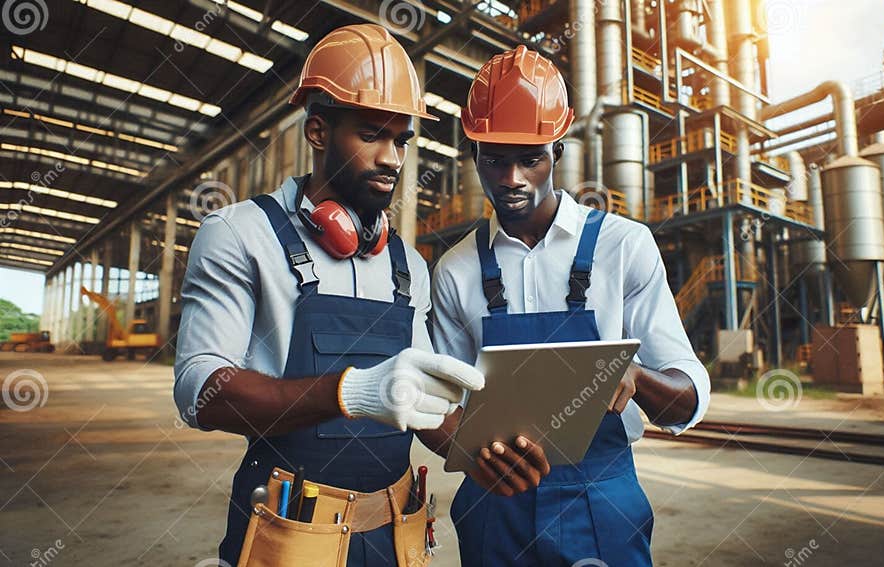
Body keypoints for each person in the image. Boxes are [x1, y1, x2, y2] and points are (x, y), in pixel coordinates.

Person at [173, 24, 483, 566]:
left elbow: (418, 406)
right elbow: (202, 390)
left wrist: (484, 450)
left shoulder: (408, 265)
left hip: (397, 535)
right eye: (371, 134)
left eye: (402, 140)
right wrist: (351, 393)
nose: (392, 157)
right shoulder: (240, 234)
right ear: (318, 132)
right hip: (288, 535)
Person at [427, 45, 711, 566]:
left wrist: (633, 375)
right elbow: (441, 410)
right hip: (495, 504)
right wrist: (470, 455)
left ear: (557, 153)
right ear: (474, 157)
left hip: (601, 497)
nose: (512, 178)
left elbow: (687, 395)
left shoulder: (624, 247)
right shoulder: (455, 271)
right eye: (495, 160)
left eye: (530, 159)